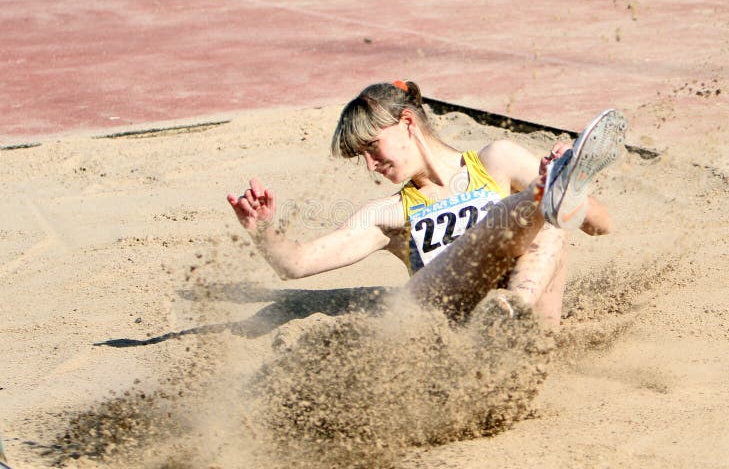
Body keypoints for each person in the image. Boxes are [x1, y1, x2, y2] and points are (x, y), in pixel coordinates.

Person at [227, 81, 627, 327]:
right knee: (534, 205)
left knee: (551, 221)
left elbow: (602, 225)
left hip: (530, 339)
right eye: (360, 157)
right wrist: (262, 230)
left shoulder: (497, 160)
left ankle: (515, 309)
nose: (370, 164)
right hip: (449, 328)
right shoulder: (388, 214)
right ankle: (545, 198)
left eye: (371, 146)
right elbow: (295, 263)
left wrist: (563, 187)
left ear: (406, 123)